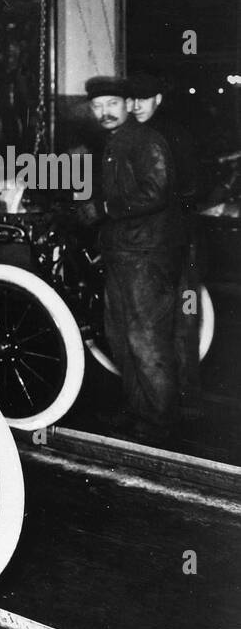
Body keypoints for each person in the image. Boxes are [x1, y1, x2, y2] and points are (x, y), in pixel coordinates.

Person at [78, 76, 184, 441]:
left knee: (147, 340)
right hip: (124, 254)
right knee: (122, 337)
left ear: (127, 105)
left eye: (112, 104)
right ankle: (140, 413)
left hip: (145, 256)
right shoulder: (116, 142)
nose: (105, 112)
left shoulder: (145, 140)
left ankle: (159, 424)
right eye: (97, 106)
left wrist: (105, 208)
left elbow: (156, 191)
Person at [127, 72, 201, 409]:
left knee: (175, 322)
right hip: (172, 241)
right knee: (175, 321)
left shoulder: (168, 136)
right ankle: (182, 401)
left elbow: (189, 188)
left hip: (175, 243)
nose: (136, 105)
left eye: (144, 98)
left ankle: (180, 401)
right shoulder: (150, 134)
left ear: (158, 99)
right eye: (132, 99)